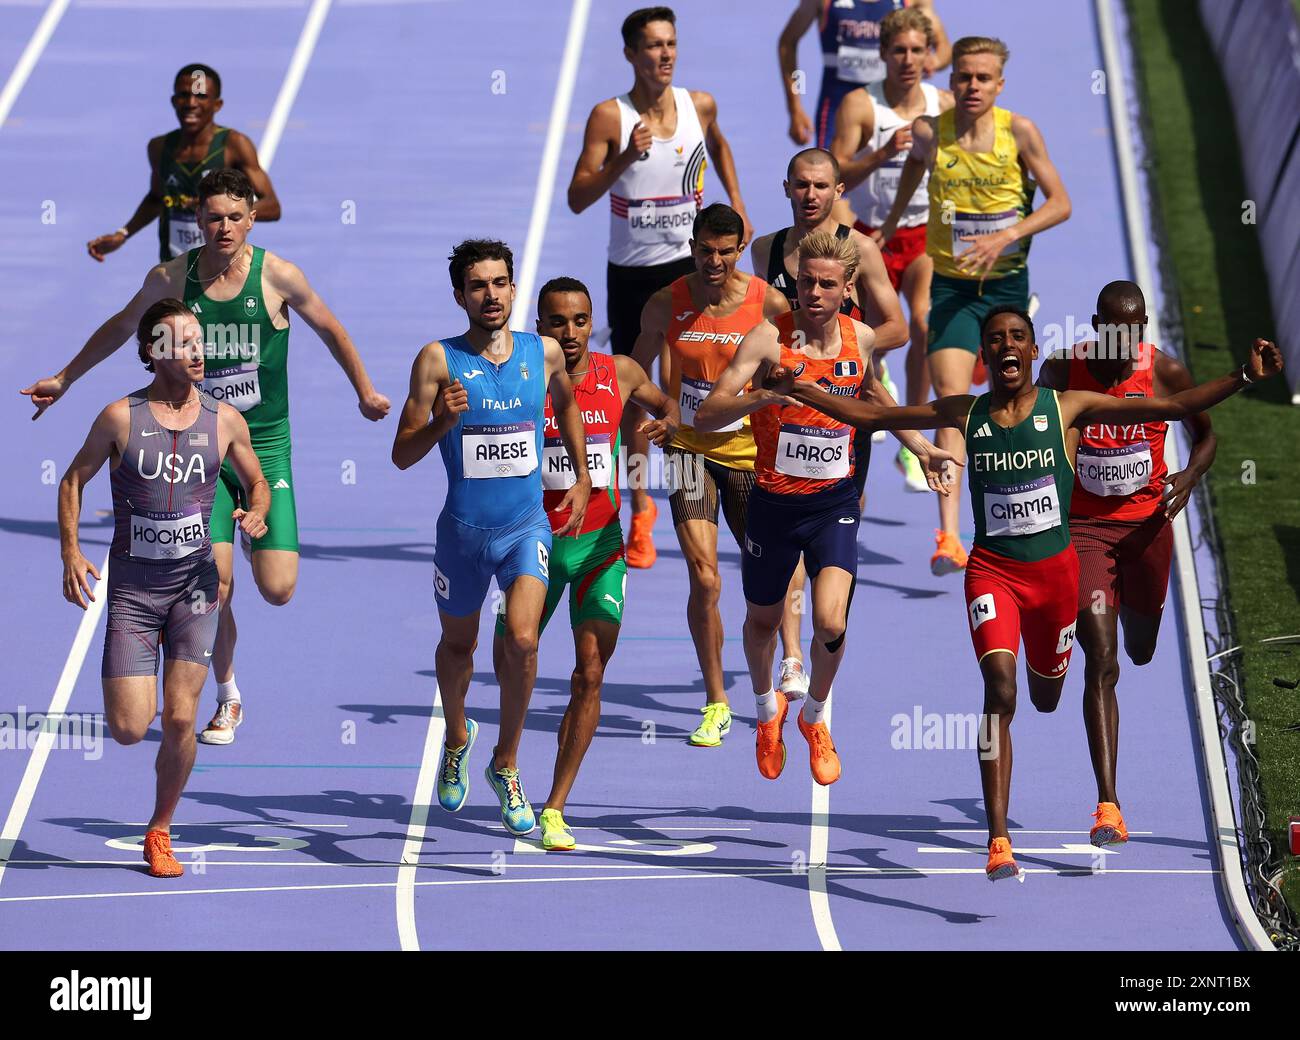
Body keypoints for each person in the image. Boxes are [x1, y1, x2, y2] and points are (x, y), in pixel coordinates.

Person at [762, 304, 1282, 878]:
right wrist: (802, 389)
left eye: (1018, 337)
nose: (1007, 346)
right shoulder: (966, 411)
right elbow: (868, 419)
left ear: (1034, 352)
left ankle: (1057, 700)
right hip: (993, 572)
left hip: (1053, 577)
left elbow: (1177, 406)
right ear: (985, 358)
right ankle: (999, 839)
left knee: (1046, 694)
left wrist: (1243, 376)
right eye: (996, 340)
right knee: (1000, 691)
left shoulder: (1070, 407)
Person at [23, 168, 390, 746]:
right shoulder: (172, 277)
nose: (224, 227)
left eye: (234, 217)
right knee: (215, 581)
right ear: (198, 219)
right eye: (213, 216)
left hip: (263, 444)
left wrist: (364, 390)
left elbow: (331, 328)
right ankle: (228, 694)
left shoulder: (279, 276)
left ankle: (253, 527)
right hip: (199, 446)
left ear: (252, 217)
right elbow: (123, 325)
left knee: (278, 587)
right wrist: (65, 378)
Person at [695, 230, 953, 784]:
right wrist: (766, 394)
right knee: (762, 622)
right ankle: (767, 712)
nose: (814, 292)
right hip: (772, 505)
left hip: (833, 503)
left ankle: (815, 717)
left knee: (831, 618)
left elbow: (878, 403)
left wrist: (925, 448)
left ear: (847, 288)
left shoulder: (861, 340)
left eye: (827, 284)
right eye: (806, 282)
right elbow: (708, 413)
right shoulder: (767, 339)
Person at [57, 300, 269, 877]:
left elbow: (257, 481)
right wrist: (71, 551)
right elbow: (74, 478)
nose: (197, 351)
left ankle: (160, 829)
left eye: (199, 340)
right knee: (129, 728)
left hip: (195, 588)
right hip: (132, 590)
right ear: (153, 353)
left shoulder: (225, 420)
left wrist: (256, 511)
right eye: (182, 343)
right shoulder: (119, 418)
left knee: (180, 718)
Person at [392, 239, 592, 837]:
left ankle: (505, 762)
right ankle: (458, 734)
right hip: (462, 534)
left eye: (500, 283)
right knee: (459, 649)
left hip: (525, 527)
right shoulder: (437, 360)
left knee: (525, 640)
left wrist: (581, 476)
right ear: (460, 295)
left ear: (513, 288)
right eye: (478, 286)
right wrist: (443, 422)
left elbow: (568, 406)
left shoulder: (545, 352)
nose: (491, 295)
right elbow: (401, 454)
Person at [492, 276, 679, 850]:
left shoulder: (617, 372)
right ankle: (505, 759)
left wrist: (667, 421)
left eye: (579, 322)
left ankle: (554, 806)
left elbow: (664, 400)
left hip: (600, 545)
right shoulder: (519, 376)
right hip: (534, 545)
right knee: (514, 658)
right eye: (556, 322)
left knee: (590, 673)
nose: (569, 334)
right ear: (538, 327)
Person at [875, 36, 1071, 575]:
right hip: (953, 290)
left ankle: (1030, 510)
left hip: (1007, 289)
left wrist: (1007, 234)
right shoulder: (930, 133)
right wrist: (889, 227)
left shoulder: (1020, 132)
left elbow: (1061, 203)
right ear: (951, 78)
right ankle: (948, 534)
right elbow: (915, 168)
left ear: (999, 84)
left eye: (983, 78)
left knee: (1015, 404)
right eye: (963, 76)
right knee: (954, 400)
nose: (972, 87)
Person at [567, 6, 751, 569]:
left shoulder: (700, 105)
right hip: (631, 272)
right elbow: (577, 198)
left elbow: (717, 145)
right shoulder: (610, 117)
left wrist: (736, 201)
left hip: (688, 266)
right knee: (636, 388)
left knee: (692, 374)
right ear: (630, 54)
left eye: (670, 43)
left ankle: (708, 473)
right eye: (651, 45)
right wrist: (626, 155)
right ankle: (643, 502)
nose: (664, 54)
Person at [1037, 280, 1216, 846]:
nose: (1127, 339)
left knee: (1140, 649)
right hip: (1086, 531)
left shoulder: (1166, 373)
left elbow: (1207, 437)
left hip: (1148, 529)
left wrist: (1186, 478)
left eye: (1136, 329)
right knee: (1104, 661)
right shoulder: (1065, 370)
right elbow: (1032, 430)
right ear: (1096, 324)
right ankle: (1109, 804)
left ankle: (1136, 631)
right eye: (1116, 328)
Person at [750, 148, 908, 698]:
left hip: (844, 404)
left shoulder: (859, 249)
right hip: (784, 409)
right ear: (787, 187)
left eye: (821, 186)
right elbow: (766, 319)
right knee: (788, 511)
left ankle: (826, 628)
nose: (811, 195)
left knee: (835, 514)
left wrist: (838, 345)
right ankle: (792, 656)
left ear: (839, 191)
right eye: (801, 185)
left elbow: (897, 327)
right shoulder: (765, 248)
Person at [634, 204, 791, 746]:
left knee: (765, 583)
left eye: (726, 251)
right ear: (692, 245)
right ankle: (717, 701)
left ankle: (780, 673)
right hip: (687, 451)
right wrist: (639, 438)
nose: (715, 261)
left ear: (740, 249)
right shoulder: (665, 303)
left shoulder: (768, 303)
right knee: (704, 578)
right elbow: (635, 376)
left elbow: (790, 375)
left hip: (751, 454)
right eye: (706, 250)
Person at [831, 6, 952, 492]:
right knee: (865, 335)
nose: (907, 59)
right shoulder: (860, 105)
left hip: (921, 236)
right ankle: (878, 385)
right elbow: (836, 173)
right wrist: (882, 153)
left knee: (922, 323)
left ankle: (911, 431)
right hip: (867, 233)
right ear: (882, 53)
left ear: (929, 55)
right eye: (897, 50)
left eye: (916, 51)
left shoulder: (942, 104)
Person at [87, 64, 280, 265]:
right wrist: (122, 234)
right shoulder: (159, 147)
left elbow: (273, 207)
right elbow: (156, 199)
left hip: (223, 270)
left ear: (217, 105)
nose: (191, 103)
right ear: (173, 101)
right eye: (184, 95)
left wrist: (220, 211)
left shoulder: (234, 145)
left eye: (201, 96)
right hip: (174, 269)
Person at [778, 0, 949, 149]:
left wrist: (934, 61)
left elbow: (943, 47)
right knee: (827, 175)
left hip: (891, 106)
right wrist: (795, 107)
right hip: (837, 107)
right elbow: (788, 44)